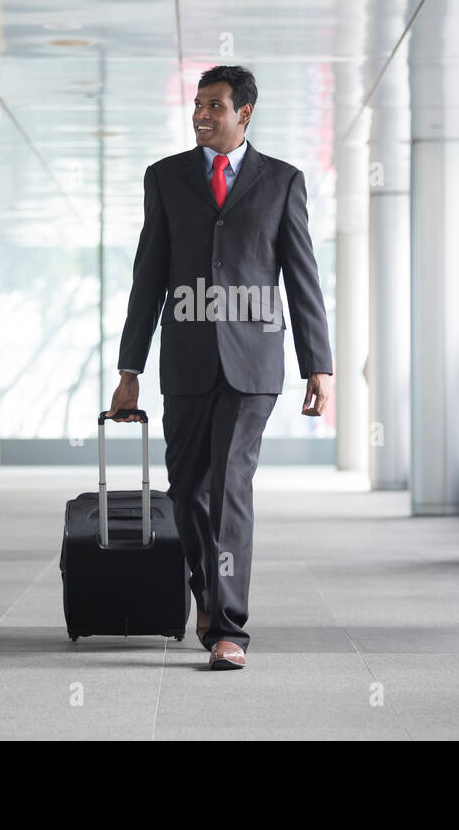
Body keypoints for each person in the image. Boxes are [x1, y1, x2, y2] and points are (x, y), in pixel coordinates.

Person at [108, 65, 333, 670]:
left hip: (252, 365)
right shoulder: (165, 177)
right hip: (185, 360)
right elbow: (149, 276)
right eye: (198, 105)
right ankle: (207, 593)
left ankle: (230, 627)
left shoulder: (282, 181)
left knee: (231, 485)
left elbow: (302, 275)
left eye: (214, 106)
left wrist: (318, 364)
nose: (201, 115)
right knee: (188, 490)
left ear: (244, 113)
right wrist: (130, 369)